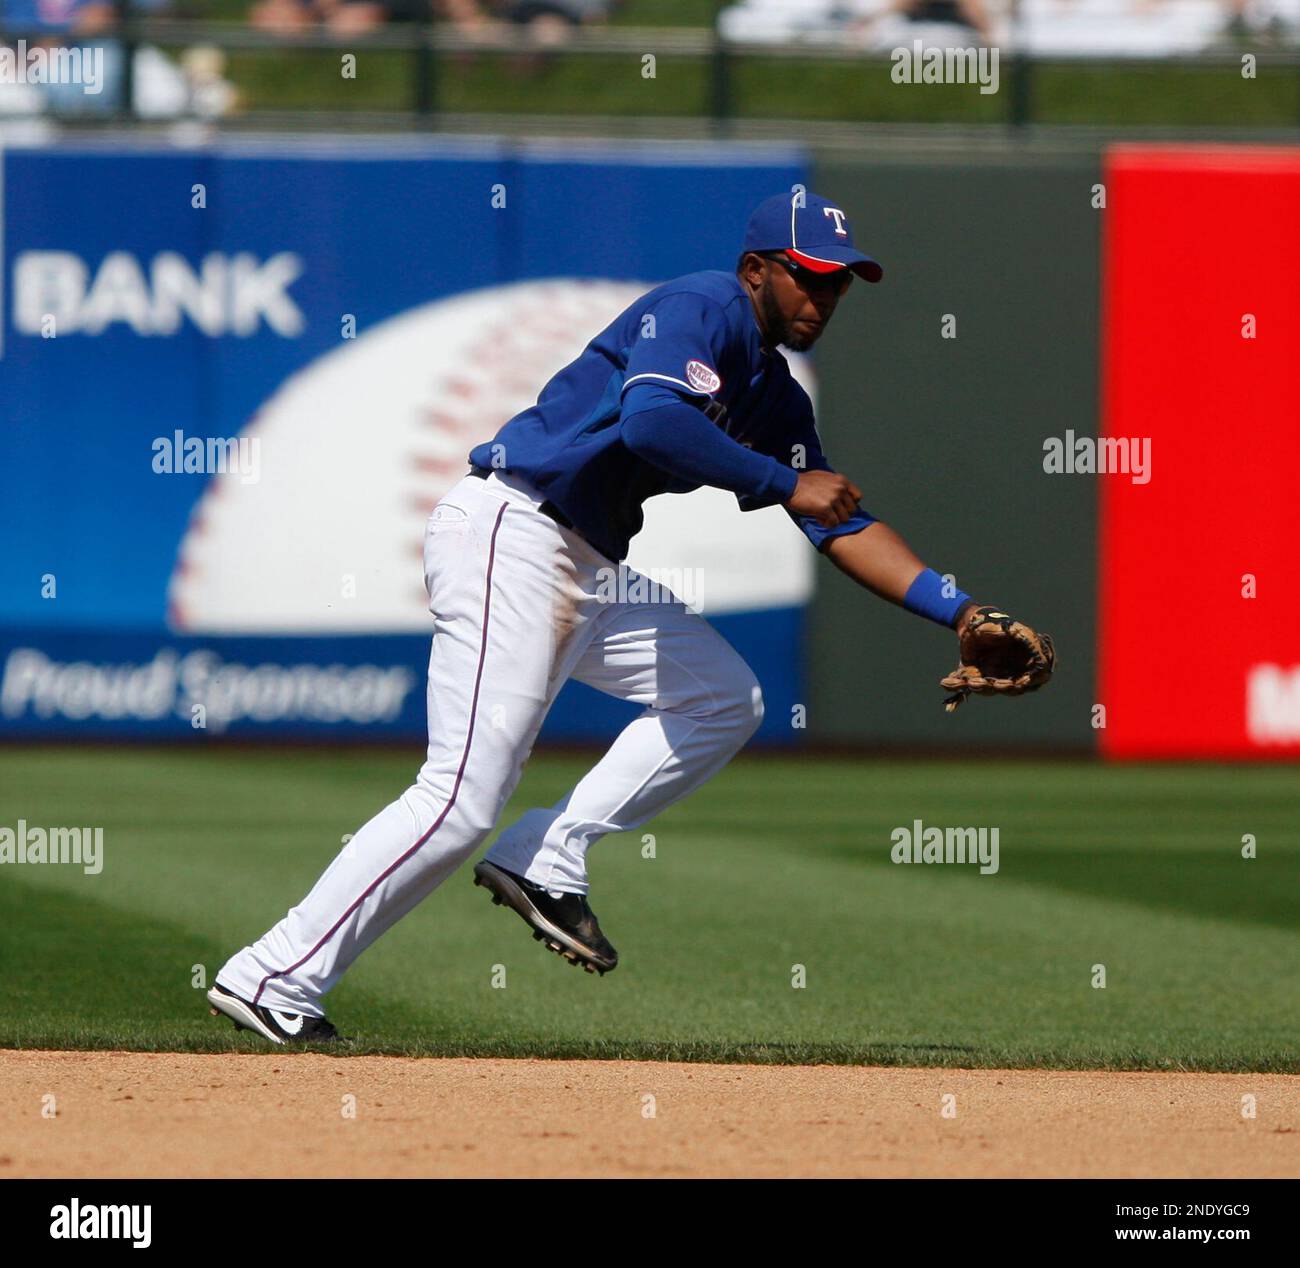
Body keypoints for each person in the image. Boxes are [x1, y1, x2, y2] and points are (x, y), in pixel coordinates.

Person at [207, 190, 1005, 1044]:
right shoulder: (701, 307)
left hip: (587, 567)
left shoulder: (776, 397)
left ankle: (547, 852)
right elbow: (655, 421)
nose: (823, 298)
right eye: (808, 277)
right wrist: (780, 482)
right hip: (514, 534)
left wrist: (958, 612)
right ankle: (273, 973)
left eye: (839, 284)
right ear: (756, 271)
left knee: (723, 697)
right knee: (460, 798)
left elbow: (837, 519)